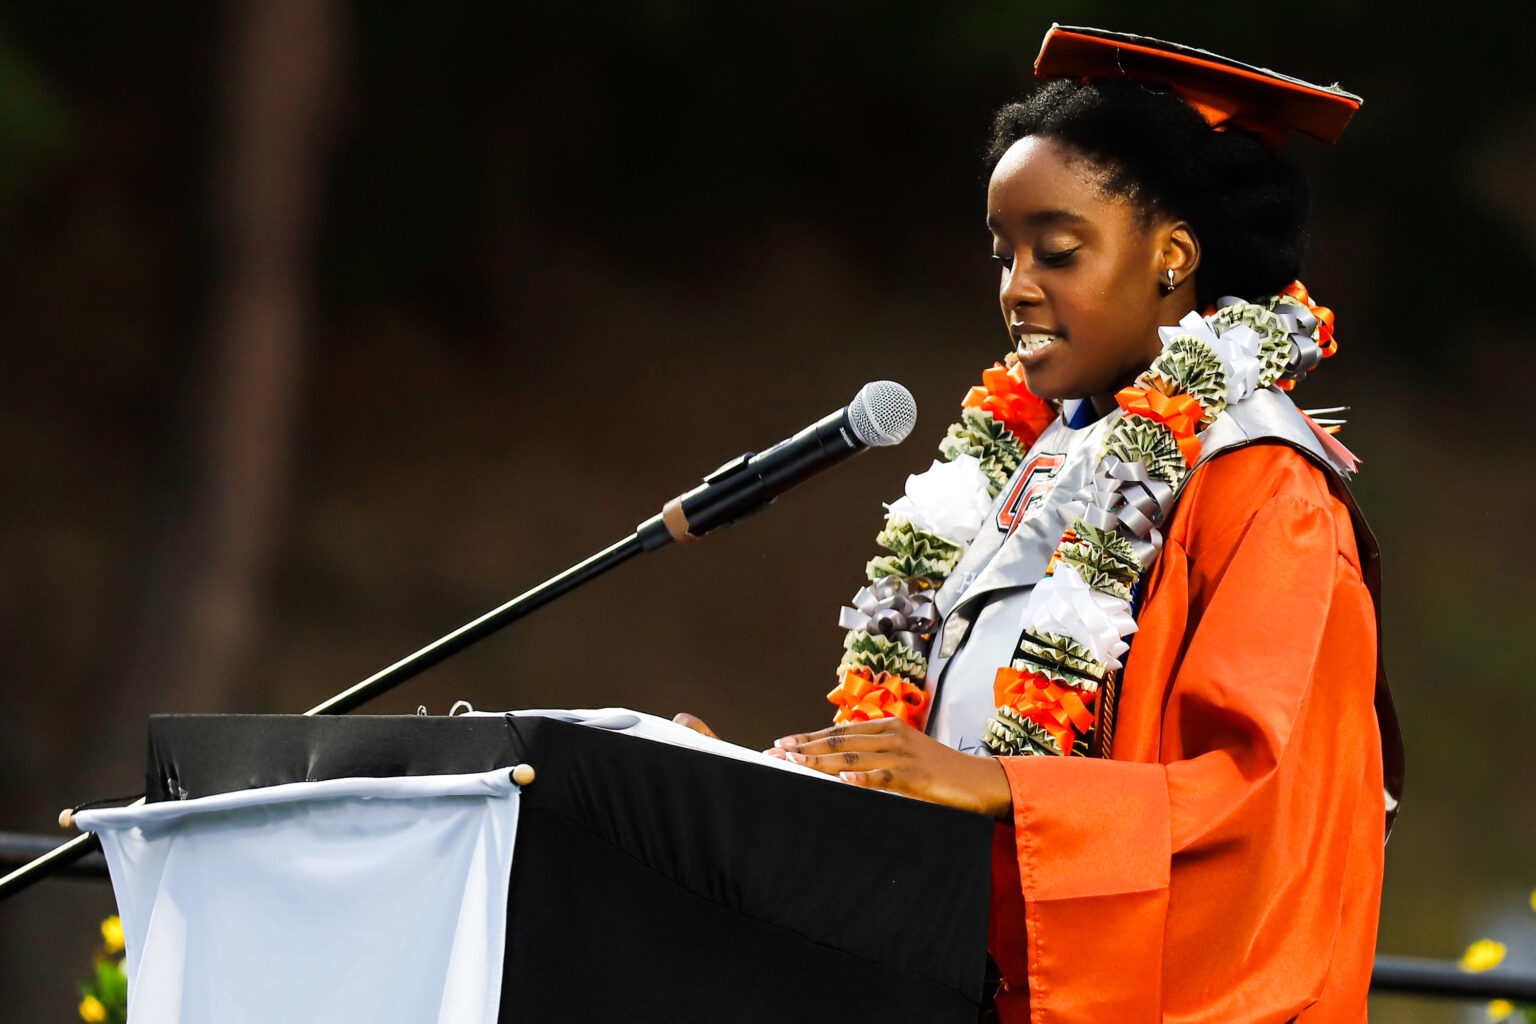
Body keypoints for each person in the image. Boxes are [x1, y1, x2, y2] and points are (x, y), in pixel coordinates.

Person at [682, 25, 1403, 1024]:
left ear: (1174, 256)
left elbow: (1267, 811)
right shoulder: (1033, 460)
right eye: (1003, 252)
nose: (1017, 286)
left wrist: (1005, 790)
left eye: (1056, 251)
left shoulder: (1263, 488)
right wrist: (761, 791)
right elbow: (947, 750)